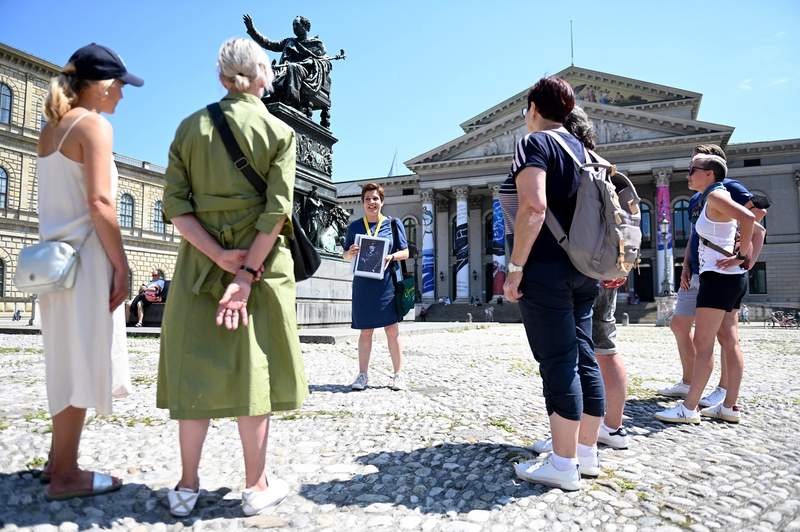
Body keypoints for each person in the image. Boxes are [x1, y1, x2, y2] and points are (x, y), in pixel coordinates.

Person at [156, 38, 308, 517]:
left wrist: (219, 256)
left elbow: (175, 207)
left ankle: (186, 486)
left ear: (222, 77)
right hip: (262, 266)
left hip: (199, 266)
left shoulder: (189, 128)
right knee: (255, 371)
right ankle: (256, 485)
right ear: (263, 74)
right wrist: (244, 276)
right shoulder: (279, 132)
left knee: (194, 367)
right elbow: (277, 212)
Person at [36, 43, 141, 500]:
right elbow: (100, 203)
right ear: (100, 85)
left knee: (64, 359)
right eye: (120, 85)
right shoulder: (94, 126)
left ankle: (57, 459)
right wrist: (123, 265)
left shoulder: (51, 129)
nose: (123, 94)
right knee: (80, 363)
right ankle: (66, 474)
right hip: (86, 262)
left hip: (54, 264)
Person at [503, 77, 604, 491]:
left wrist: (515, 267)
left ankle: (562, 465)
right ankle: (586, 451)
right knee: (584, 355)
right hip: (584, 268)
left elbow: (533, 207)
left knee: (558, 362)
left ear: (533, 108)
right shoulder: (584, 150)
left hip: (546, 268)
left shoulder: (535, 143)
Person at [528, 107, 630, 454]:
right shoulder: (600, 165)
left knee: (581, 355)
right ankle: (597, 435)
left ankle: (581, 441)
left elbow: (534, 209)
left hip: (571, 270)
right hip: (599, 270)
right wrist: (620, 265)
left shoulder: (563, 162)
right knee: (595, 350)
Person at [659, 145, 766, 409]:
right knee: (682, 326)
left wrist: (744, 257)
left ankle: (714, 396)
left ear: (711, 170)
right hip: (702, 270)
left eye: (693, 167)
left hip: (720, 273)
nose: (688, 172)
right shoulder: (700, 197)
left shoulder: (725, 190)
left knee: (719, 338)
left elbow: (754, 219)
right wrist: (686, 264)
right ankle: (696, 388)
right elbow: (697, 234)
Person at [343, 183, 410, 392]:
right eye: (367, 199)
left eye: (375, 198)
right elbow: (344, 255)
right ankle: (362, 375)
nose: (371, 202)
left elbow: (406, 252)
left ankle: (398, 375)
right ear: (362, 203)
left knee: (392, 330)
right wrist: (350, 253)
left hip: (386, 284)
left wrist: (391, 256)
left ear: (382, 201)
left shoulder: (393, 224)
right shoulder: (354, 227)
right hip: (363, 285)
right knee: (366, 331)